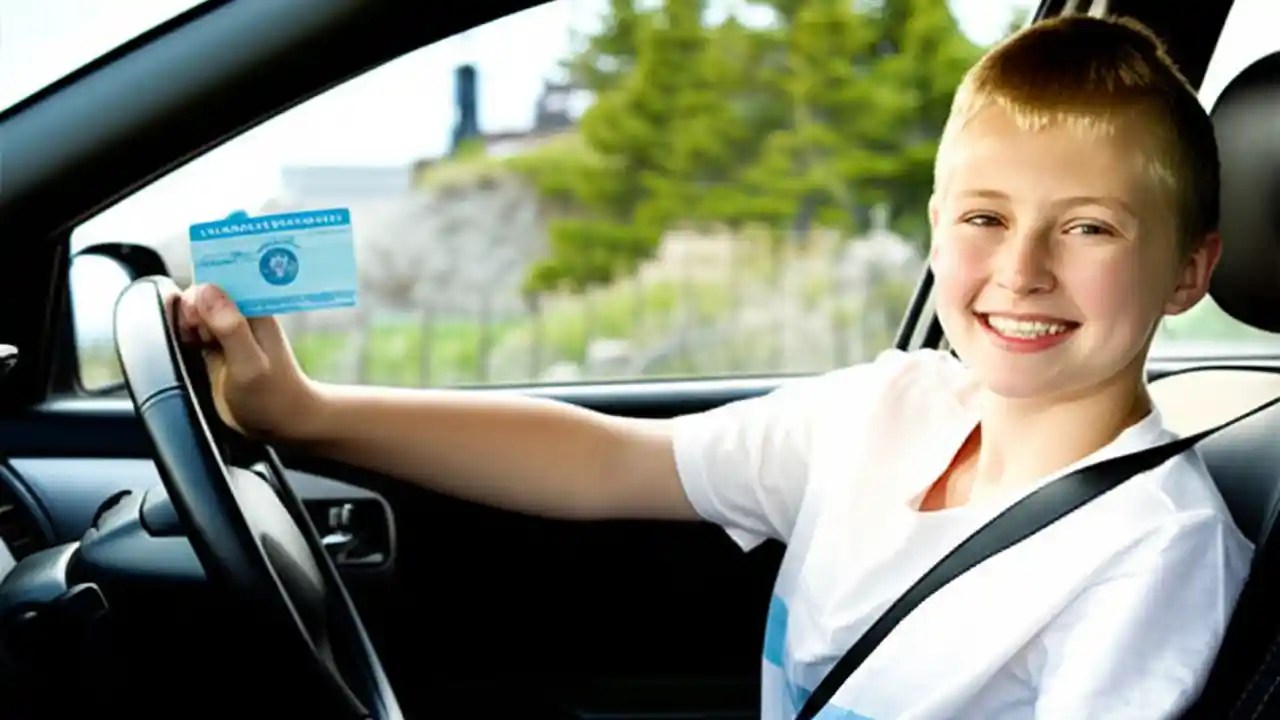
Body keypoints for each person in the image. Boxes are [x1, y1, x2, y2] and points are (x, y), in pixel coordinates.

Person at [176, 13, 1252, 720]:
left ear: (1184, 273)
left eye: (1090, 231)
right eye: (983, 217)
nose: (1019, 270)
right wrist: (304, 413)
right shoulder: (889, 409)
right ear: (934, 227)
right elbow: (608, 462)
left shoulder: (1154, 551)